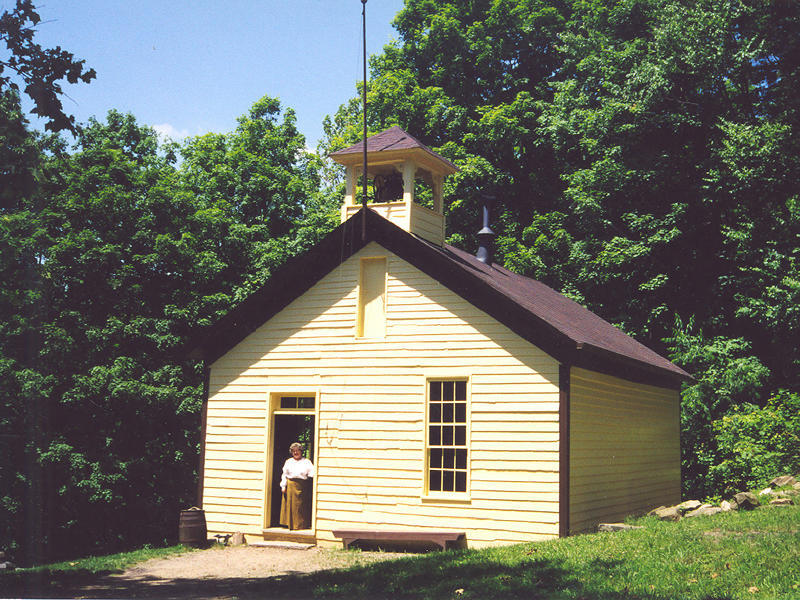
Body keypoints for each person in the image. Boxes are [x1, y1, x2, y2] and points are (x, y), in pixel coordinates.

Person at [279, 442, 314, 530]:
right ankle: (290, 525)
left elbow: (312, 473)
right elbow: (284, 474)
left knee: (300, 506)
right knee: (290, 506)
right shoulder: (289, 461)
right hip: (290, 485)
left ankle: (300, 525)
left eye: (297, 451)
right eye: (293, 451)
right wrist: (283, 486)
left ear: (301, 451)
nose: (295, 453)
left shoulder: (306, 462)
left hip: (302, 486)